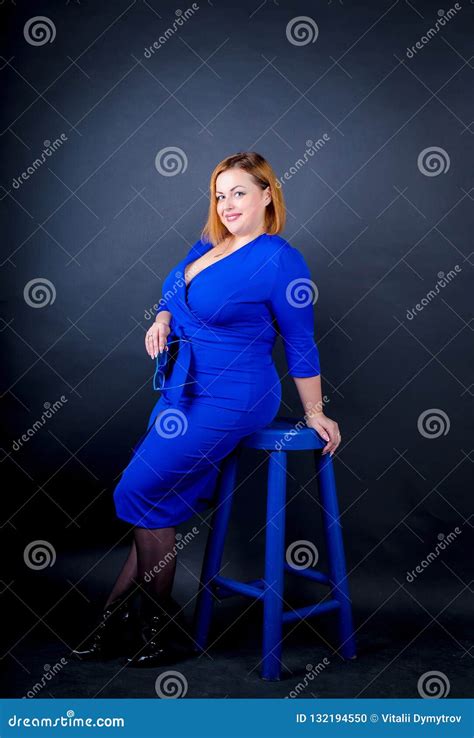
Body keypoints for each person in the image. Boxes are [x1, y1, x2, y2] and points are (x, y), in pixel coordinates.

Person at [71, 151, 341, 668]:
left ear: (268, 194)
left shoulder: (281, 260)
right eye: (220, 194)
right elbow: (176, 288)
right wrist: (164, 316)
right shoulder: (209, 243)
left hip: (237, 395)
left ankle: (149, 621)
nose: (227, 204)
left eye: (239, 192)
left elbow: (301, 343)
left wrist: (314, 412)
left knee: (138, 489)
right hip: (184, 391)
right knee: (154, 502)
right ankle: (121, 623)